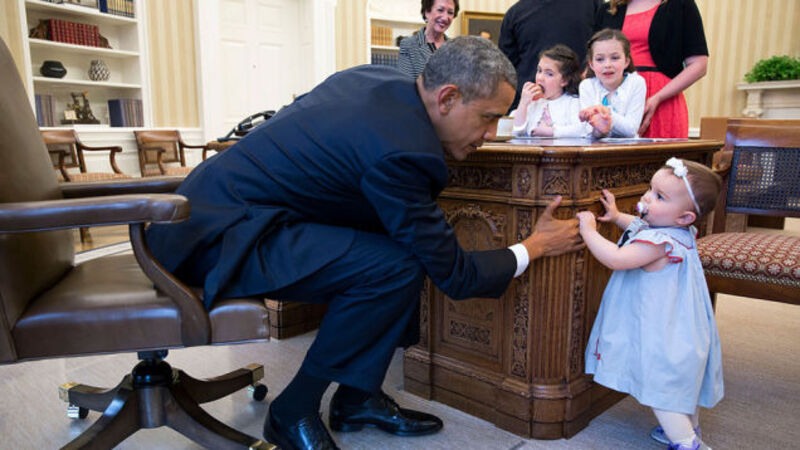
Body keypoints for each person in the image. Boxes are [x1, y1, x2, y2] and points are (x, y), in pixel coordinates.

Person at [146, 36, 583, 450]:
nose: (490, 134)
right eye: (489, 117)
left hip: (207, 213)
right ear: (447, 97)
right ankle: (292, 411)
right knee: (395, 268)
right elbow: (455, 275)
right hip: (214, 239)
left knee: (398, 247)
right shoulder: (405, 151)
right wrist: (535, 246)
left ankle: (357, 399)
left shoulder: (376, 78)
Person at [576, 158, 723, 450]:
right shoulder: (679, 233)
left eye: (659, 197)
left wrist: (588, 232)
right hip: (683, 328)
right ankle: (688, 428)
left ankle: (686, 443)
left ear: (684, 218)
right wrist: (618, 216)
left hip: (661, 333)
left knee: (662, 390)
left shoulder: (657, 243)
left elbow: (616, 259)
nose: (646, 197)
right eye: (650, 189)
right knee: (680, 384)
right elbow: (640, 226)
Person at [594, 0, 709, 138]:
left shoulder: (680, 4)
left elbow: (699, 65)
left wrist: (658, 98)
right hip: (614, 98)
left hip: (662, 100)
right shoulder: (609, 8)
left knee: (663, 158)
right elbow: (595, 59)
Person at [499, 0, 603, 110]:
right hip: (529, 105)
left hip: (581, 104)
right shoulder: (516, 13)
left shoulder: (592, 5)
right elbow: (506, 70)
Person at [579, 28, 646, 137]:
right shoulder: (587, 86)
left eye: (614, 58)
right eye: (600, 59)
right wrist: (600, 129)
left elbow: (631, 129)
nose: (607, 65)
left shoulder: (636, 83)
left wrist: (607, 113)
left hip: (627, 150)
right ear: (591, 64)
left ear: (626, 62)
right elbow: (589, 131)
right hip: (595, 150)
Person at [509, 44, 583, 138]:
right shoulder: (533, 104)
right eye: (539, 71)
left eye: (549, 74)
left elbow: (581, 129)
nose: (540, 78)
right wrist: (523, 103)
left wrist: (552, 132)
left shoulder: (573, 102)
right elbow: (514, 131)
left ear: (564, 80)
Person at [398, 0, 459, 79]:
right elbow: (405, 85)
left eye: (450, 12)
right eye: (440, 10)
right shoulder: (408, 45)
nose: (445, 18)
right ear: (427, 12)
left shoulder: (456, 48)